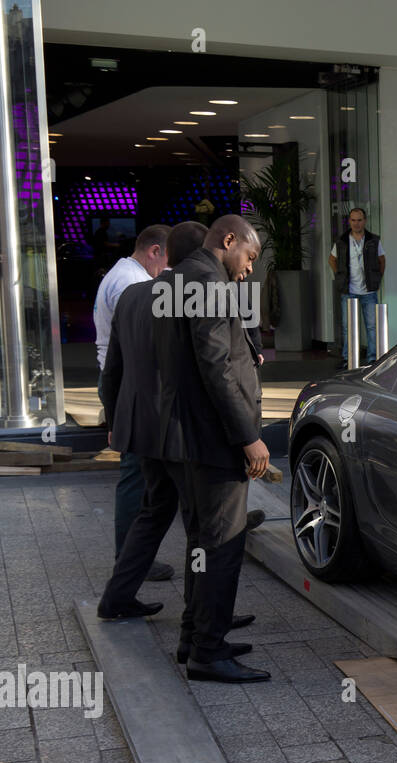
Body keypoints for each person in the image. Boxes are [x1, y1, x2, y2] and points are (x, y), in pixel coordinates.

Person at [97, 222, 259, 646]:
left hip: (142, 427)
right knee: (202, 530)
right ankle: (202, 623)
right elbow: (211, 367)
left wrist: (116, 421)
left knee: (155, 513)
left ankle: (124, 599)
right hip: (181, 431)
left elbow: (111, 373)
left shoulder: (134, 295)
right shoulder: (192, 292)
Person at [154, 215, 270, 683]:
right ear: (229, 240)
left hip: (184, 436)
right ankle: (208, 650)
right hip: (215, 438)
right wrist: (249, 435)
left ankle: (193, 636)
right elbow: (217, 366)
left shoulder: (175, 279)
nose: (248, 270)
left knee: (201, 539)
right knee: (222, 542)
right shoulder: (208, 281)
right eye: (249, 257)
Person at [93, 223, 172, 581]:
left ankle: (132, 556)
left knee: (152, 468)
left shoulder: (125, 274)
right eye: (167, 260)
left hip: (126, 382)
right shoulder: (131, 283)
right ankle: (128, 558)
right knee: (136, 472)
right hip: (131, 383)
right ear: (154, 250)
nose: (168, 270)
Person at [330, 207, 385, 369]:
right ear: (349, 221)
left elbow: (382, 260)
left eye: (359, 220)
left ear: (365, 221)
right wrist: (340, 275)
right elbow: (332, 259)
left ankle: (372, 358)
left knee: (371, 326)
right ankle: (348, 358)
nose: (356, 223)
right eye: (353, 220)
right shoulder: (341, 240)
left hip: (368, 290)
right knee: (348, 327)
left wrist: (377, 278)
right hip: (349, 290)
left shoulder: (373, 240)